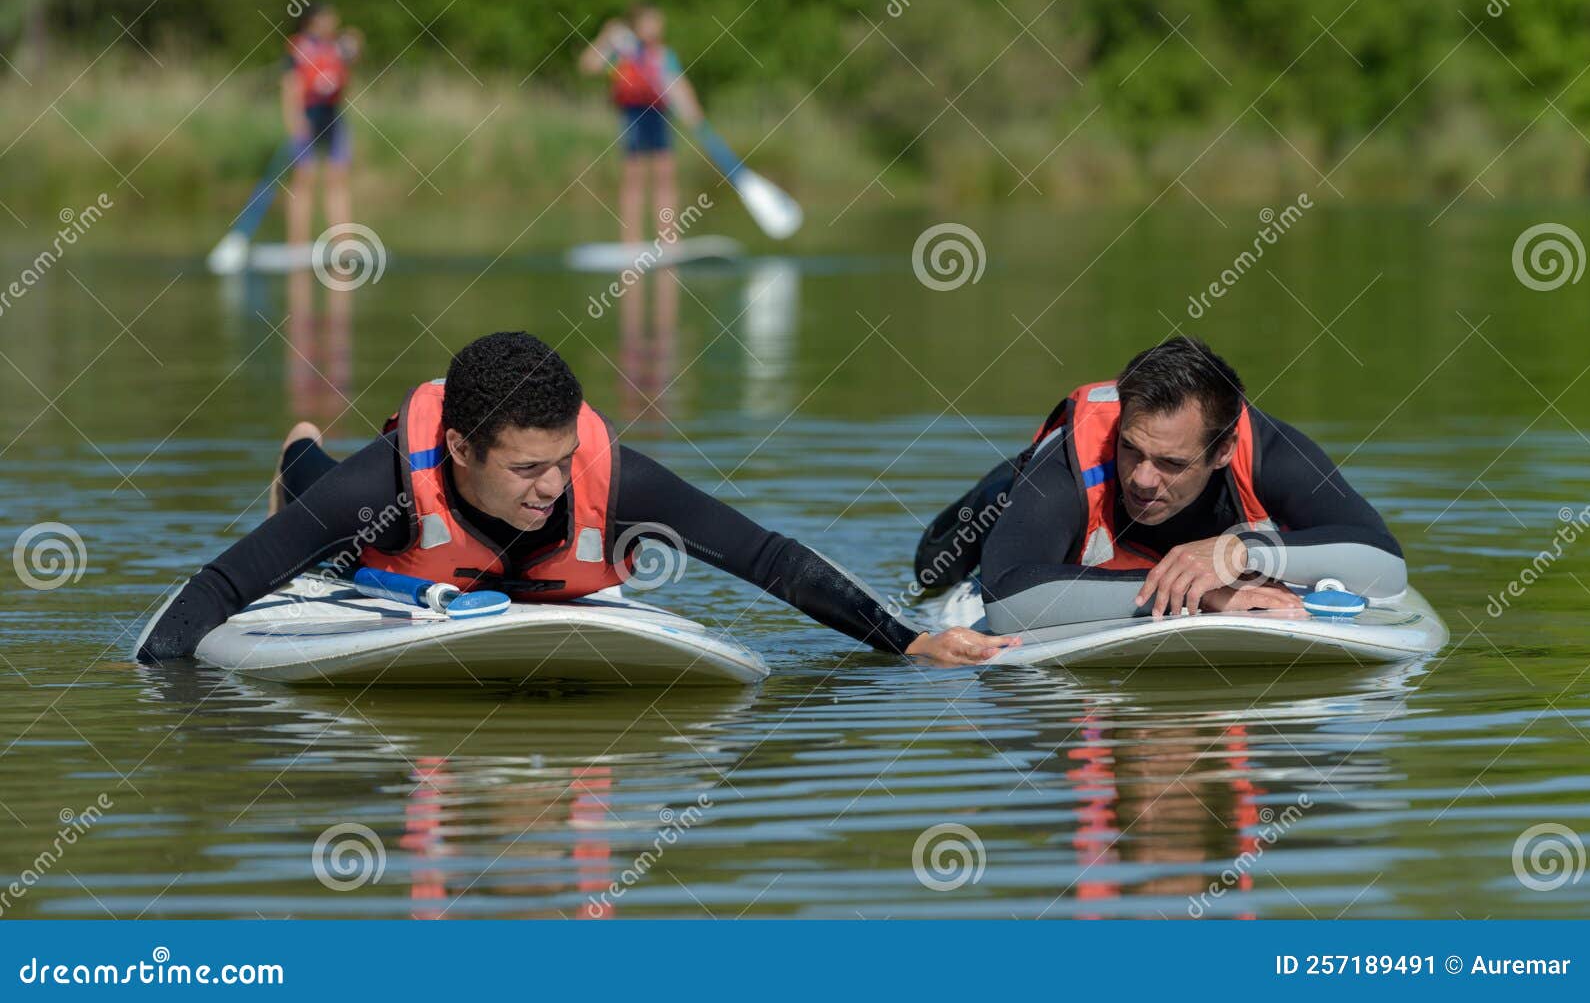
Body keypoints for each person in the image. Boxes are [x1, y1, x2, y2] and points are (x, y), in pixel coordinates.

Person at [138, 332, 1013, 666]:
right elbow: (221, 586)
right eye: (526, 470)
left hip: (505, 584)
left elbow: (768, 559)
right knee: (316, 499)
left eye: (561, 460)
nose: (554, 488)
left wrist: (907, 640)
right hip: (386, 549)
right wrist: (149, 675)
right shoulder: (388, 487)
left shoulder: (613, 481)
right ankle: (295, 446)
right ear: (461, 451)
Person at [913, 338, 1407, 630]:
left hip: (1204, 543)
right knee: (931, 570)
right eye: (1132, 449)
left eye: (1171, 462)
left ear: (1223, 451)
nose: (1143, 480)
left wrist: (1243, 553)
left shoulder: (1269, 451)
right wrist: (1202, 596)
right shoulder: (1074, 463)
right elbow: (1005, 597)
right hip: (1018, 496)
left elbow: (1384, 564)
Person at [579, 4, 703, 247]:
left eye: (658, 23)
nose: (656, 28)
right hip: (633, 115)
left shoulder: (664, 54)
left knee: (665, 174)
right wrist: (605, 36)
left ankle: (668, 238)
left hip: (659, 115)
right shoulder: (621, 51)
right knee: (633, 175)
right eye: (650, 23)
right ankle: (631, 241)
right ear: (637, 26)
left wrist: (695, 114)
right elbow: (588, 65)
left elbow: (679, 84)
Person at [282, 3, 362, 249]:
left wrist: (356, 41)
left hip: (332, 115)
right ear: (313, 21)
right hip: (307, 113)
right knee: (305, 176)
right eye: (327, 18)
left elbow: (353, 56)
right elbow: (290, 85)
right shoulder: (299, 47)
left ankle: (343, 242)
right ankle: (298, 242)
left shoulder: (338, 46)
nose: (332, 23)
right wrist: (294, 120)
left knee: (337, 176)